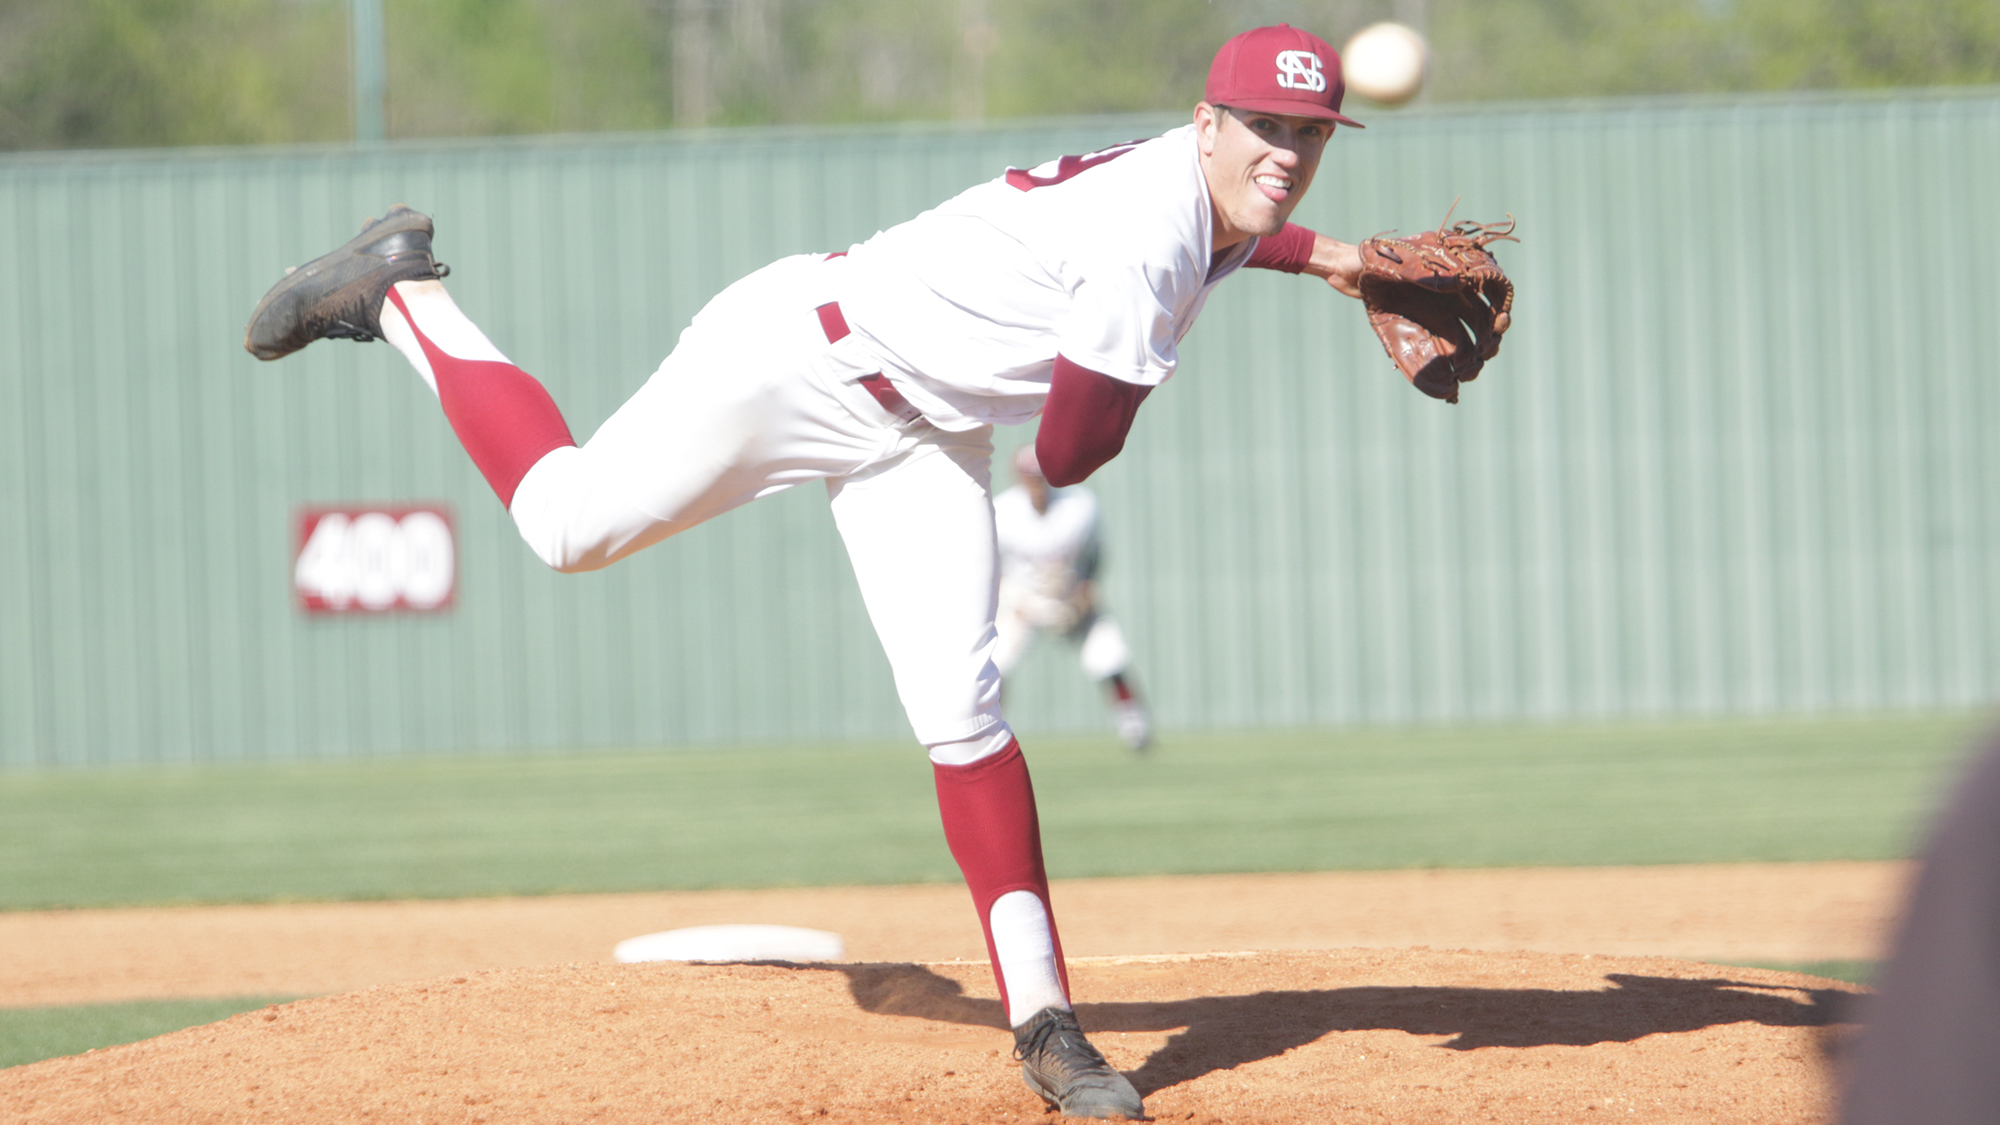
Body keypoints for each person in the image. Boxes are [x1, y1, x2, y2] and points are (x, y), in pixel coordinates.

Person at [245, 23, 1368, 1120]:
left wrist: (1333, 256)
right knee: (564, 526)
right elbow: (1069, 453)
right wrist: (1155, 352)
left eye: (1309, 134)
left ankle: (1046, 1025)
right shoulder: (1146, 235)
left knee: (961, 710)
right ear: (1204, 122)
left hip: (923, 430)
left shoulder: (1192, 190)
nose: (1286, 152)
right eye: (1263, 125)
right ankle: (400, 291)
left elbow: (1231, 231)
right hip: (795, 359)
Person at [993, 445, 1153, 752]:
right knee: (997, 664)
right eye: (1030, 478)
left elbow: (1095, 553)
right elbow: (992, 566)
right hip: (1024, 601)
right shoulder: (1003, 511)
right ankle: (990, 736)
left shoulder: (1079, 505)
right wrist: (1012, 601)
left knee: (1109, 653)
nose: (1036, 484)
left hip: (1071, 598)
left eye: (1041, 477)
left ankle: (1135, 727)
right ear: (1018, 478)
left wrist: (1087, 589)